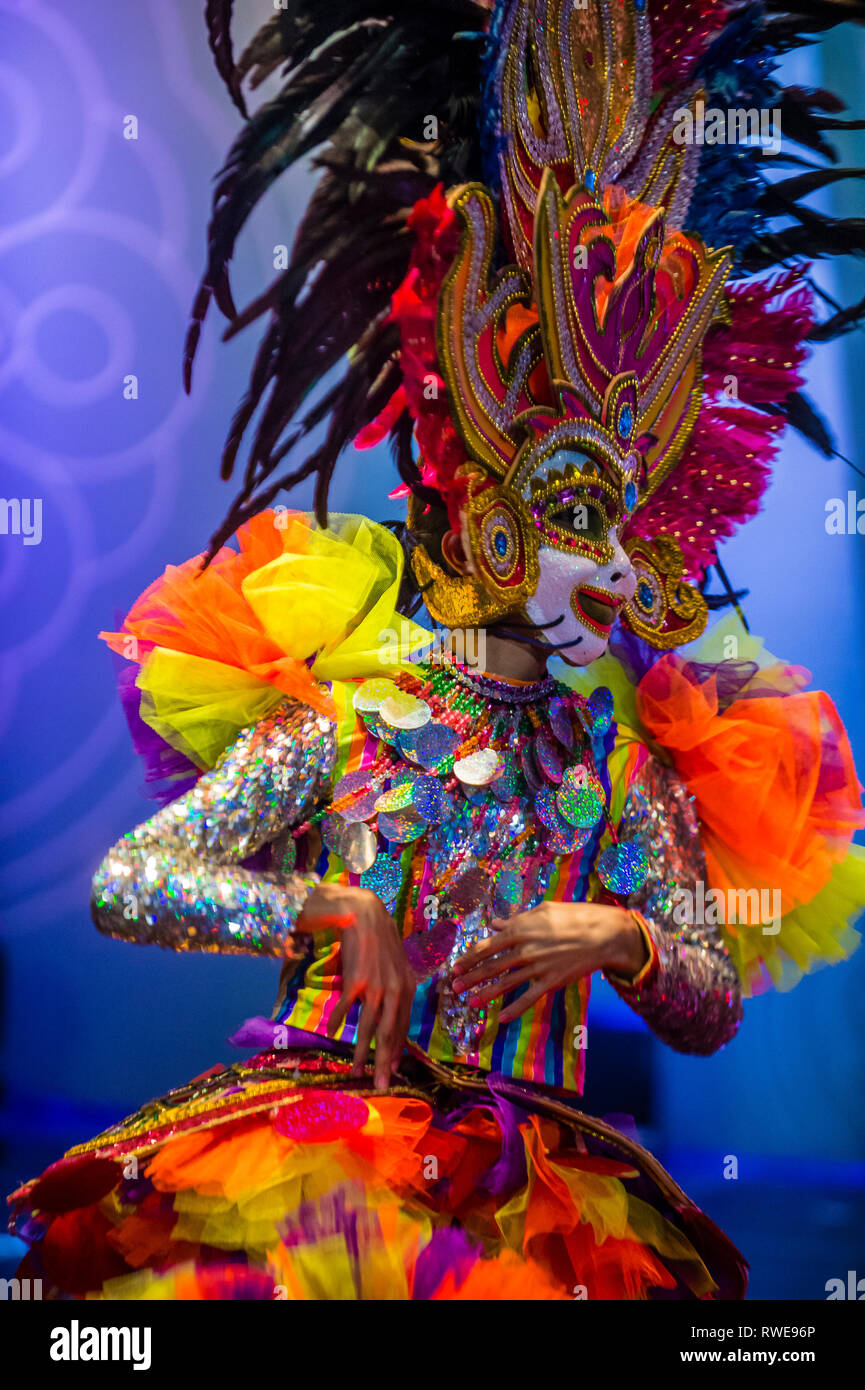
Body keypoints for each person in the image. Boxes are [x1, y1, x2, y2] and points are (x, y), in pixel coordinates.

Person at [9, 0, 865, 1301]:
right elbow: (131, 880)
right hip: (308, 1164)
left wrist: (624, 936)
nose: (623, 568)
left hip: (543, 1189)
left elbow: (705, 1002)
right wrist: (320, 901)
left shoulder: (617, 770)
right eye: (583, 516)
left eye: (632, 528)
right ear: (487, 513)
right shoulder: (342, 724)